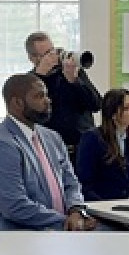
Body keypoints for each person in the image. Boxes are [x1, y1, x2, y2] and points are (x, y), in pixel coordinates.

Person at [0, 73, 96, 232]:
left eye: (47, 95)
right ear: (17, 103)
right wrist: (65, 222)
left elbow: (71, 183)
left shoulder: (51, 137)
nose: (48, 101)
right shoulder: (0, 145)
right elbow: (15, 207)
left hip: (57, 231)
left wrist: (76, 211)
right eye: (39, 96)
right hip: (16, 236)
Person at [25, 31, 101, 162]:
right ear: (33, 58)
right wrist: (41, 76)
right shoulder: (30, 81)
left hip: (83, 149)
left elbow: (96, 104)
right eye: (47, 53)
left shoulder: (71, 72)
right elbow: (31, 114)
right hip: (50, 152)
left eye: (53, 50)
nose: (53, 55)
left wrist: (74, 81)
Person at [75, 88, 129, 201]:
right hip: (100, 208)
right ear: (113, 113)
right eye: (127, 108)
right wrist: (106, 207)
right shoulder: (92, 138)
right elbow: (84, 183)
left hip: (127, 208)